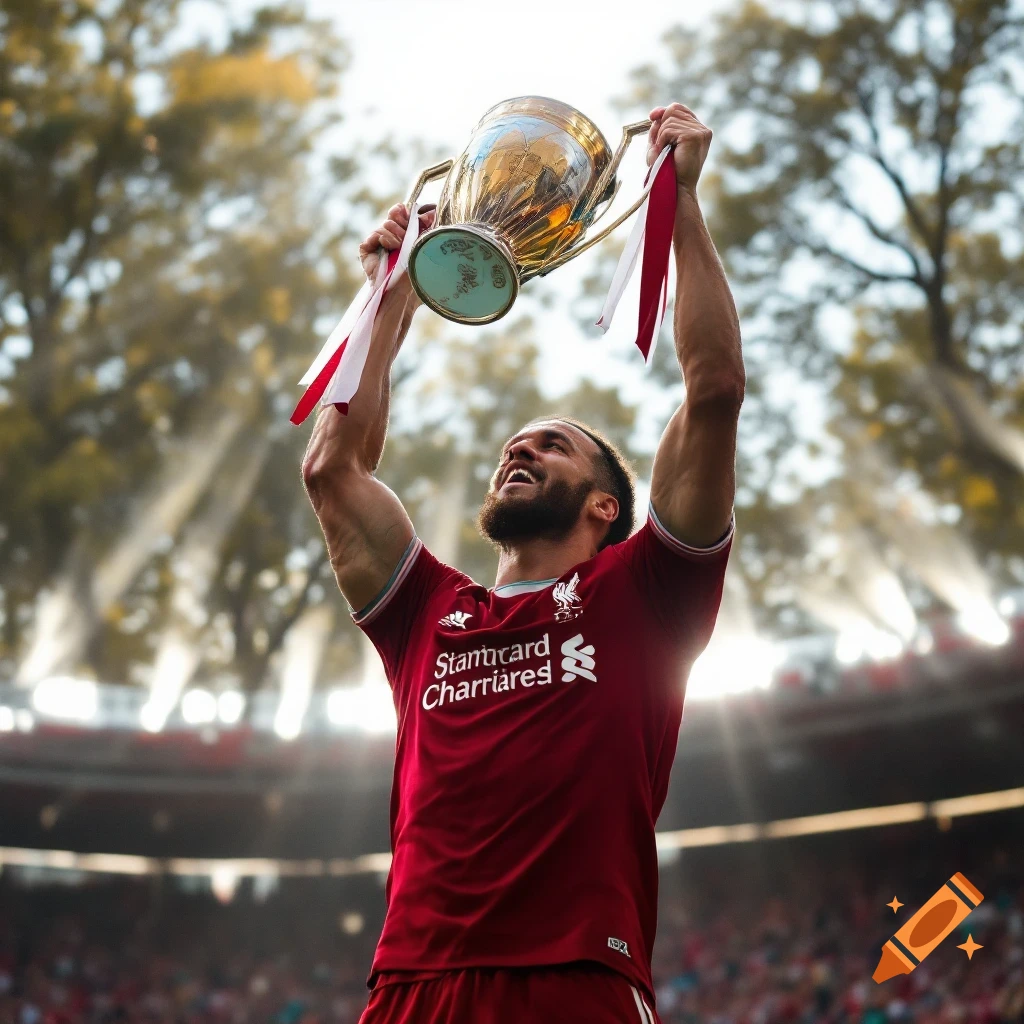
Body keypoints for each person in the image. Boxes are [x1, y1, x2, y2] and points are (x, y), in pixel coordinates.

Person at [301, 103, 744, 1024]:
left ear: (604, 506)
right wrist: (398, 294)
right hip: (412, 984)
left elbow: (713, 394)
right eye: (515, 444)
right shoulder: (426, 611)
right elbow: (332, 469)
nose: (521, 450)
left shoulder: (646, 596)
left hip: (577, 980)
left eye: (552, 445)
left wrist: (684, 201)